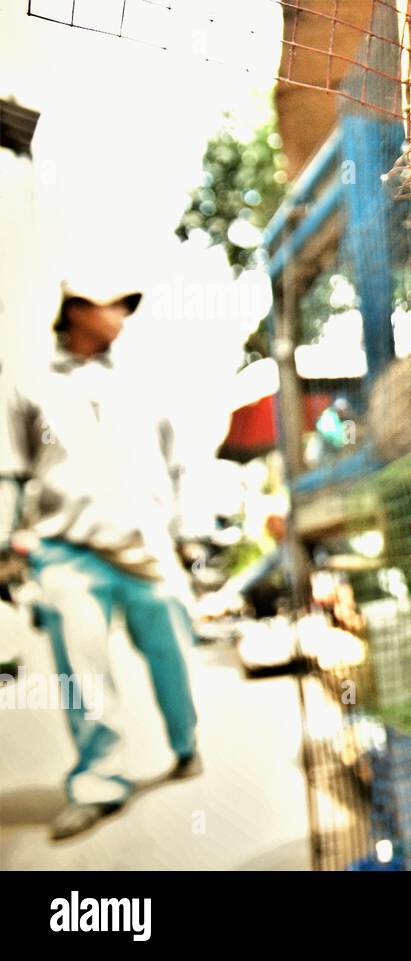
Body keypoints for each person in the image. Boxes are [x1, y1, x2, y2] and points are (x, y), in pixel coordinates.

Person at [0, 270, 204, 840]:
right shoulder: (29, 382)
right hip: (67, 550)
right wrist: (4, 546)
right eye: (113, 306)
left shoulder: (144, 382)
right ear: (78, 310)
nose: (122, 317)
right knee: (83, 675)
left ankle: (187, 743)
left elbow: (180, 464)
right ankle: (100, 782)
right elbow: (11, 471)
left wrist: (188, 535)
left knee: (173, 654)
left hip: (146, 549)